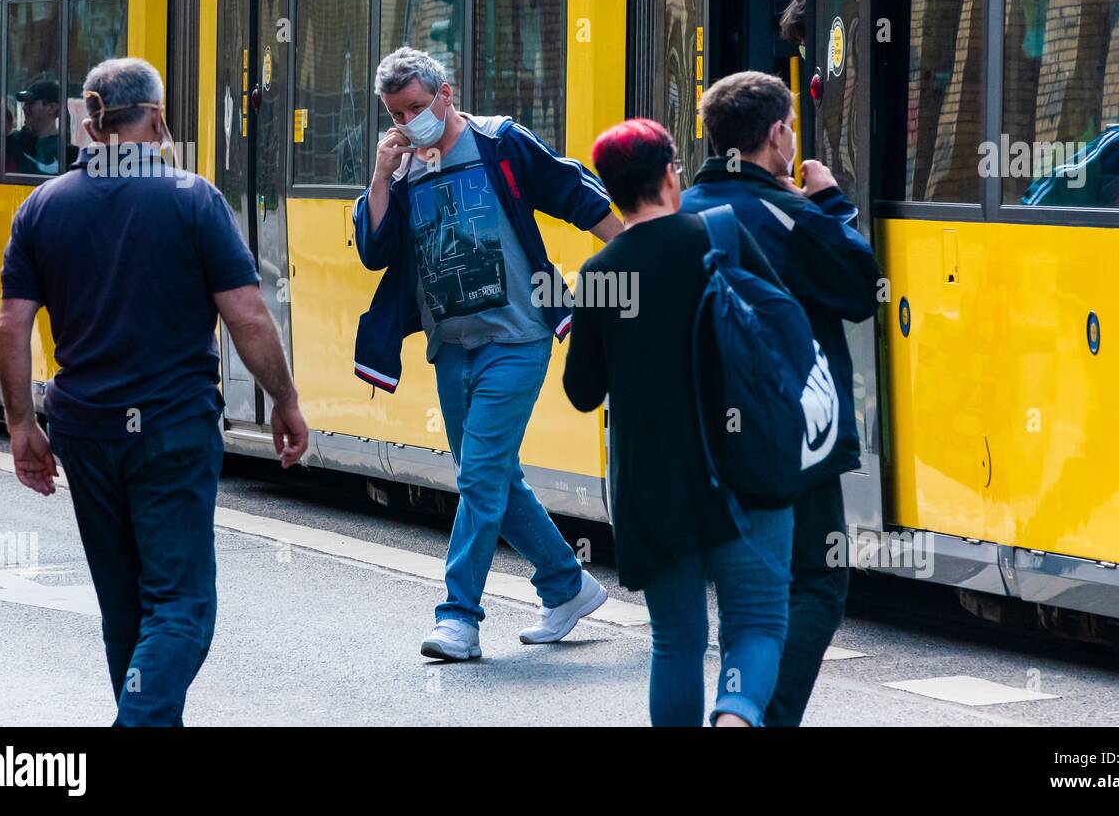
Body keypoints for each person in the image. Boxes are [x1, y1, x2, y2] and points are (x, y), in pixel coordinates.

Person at [0, 57, 309, 725]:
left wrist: (21, 423)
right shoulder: (193, 199)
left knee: (126, 608)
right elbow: (248, 315)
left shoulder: (42, 207)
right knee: (181, 607)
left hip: (84, 430)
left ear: (89, 120)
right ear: (158, 120)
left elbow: (12, 324)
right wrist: (283, 398)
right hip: (171, 428)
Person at [353, 47, 622, 661]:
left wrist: (644, 252)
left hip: (518, 337)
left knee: (477, 476)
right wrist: (380, 176)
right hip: (451, 348)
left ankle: (459, 617)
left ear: (446, 95)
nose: (409, 120)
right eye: (397, 113)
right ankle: (566, 583)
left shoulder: (499, 143)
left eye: (419, 106)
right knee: (496, 477)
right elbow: (375, 250)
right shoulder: (401, 169)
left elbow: (573, 192)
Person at [563, 118, 793, 726]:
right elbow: (780, 332)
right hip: (745, 476)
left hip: (653, 487)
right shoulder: (721, 237)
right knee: (758, 626)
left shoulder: (600, 276)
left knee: (677, 642)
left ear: (611, 190)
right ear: (671, 174)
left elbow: (581, 393)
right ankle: (736, 716)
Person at [680, 68, 881, 727]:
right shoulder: (790, 212)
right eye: (790, 127)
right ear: (776, 136)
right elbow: (858, 286)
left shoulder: (681, 213)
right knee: (816, 584)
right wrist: (829, 203)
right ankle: (756, 719)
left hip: (701, 438)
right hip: (790, 436)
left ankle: (737, 707)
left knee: (742, 598)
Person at [6, 79, 78, 176]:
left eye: (30, 103)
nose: (24, 108)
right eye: (24, 103)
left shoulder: (69, 153)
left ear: (52, 108)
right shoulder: (13, 141)